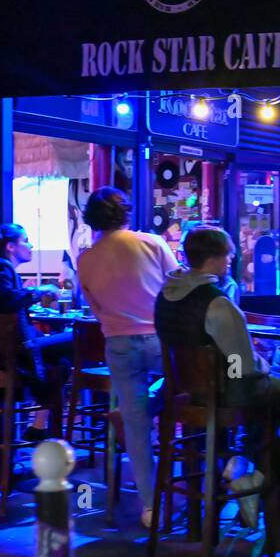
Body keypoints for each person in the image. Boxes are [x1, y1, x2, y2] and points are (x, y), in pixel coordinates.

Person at [155, 226, 280, 523]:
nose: (230, 262)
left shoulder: (164, 295)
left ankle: (236, 463)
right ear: (215, 258)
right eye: (229, 256)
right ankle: (253, 471)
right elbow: (240, 364)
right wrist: (264, 364)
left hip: (183, 393)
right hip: (222, 394)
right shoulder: (217, 302)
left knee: (263, 393)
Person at [76, 187, 179, 529]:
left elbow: (96, 309)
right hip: (160, 339)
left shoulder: (85, 259)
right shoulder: (152, 242)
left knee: (136, 428)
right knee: (189, 385)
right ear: (126, 212)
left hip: (118, 343)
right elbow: (178, 289)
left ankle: (151, 507)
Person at [0, 223, 71, 441]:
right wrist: (39, 291)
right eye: (25, 240)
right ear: (11, 247)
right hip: (11, 355)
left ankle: (40, 424)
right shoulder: (1, 269)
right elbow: (5, 299)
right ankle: (46, 424)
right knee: (73, 339)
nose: (31, 245)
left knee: (60, 361)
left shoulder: (0, 269)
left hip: (9, 352)